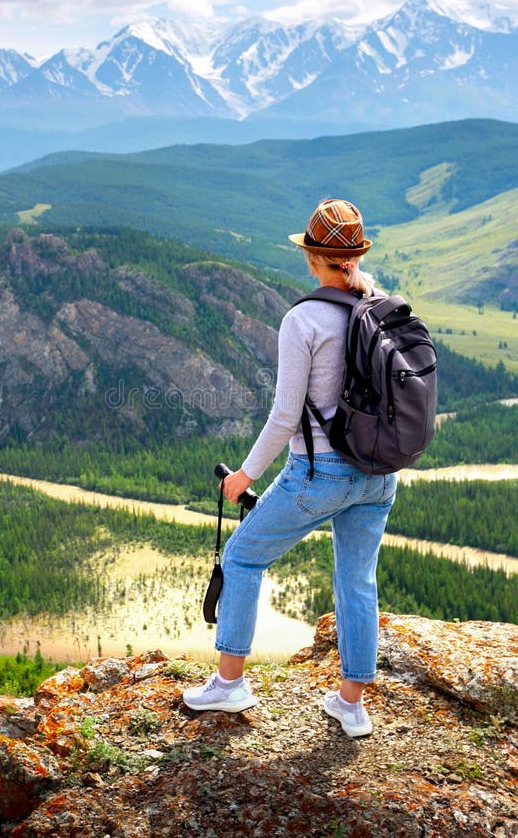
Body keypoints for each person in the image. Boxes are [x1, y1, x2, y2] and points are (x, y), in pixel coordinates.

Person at [182, 198, 398, 738]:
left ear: (312, 258)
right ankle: (352, 704)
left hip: (319, 474)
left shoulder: (303, 319)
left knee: (242, 557)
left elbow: (284, 416)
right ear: (353, 257)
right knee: (356, 580)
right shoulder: (379, 307)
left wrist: (245, 477)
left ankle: (230, 683)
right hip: (378, 476)